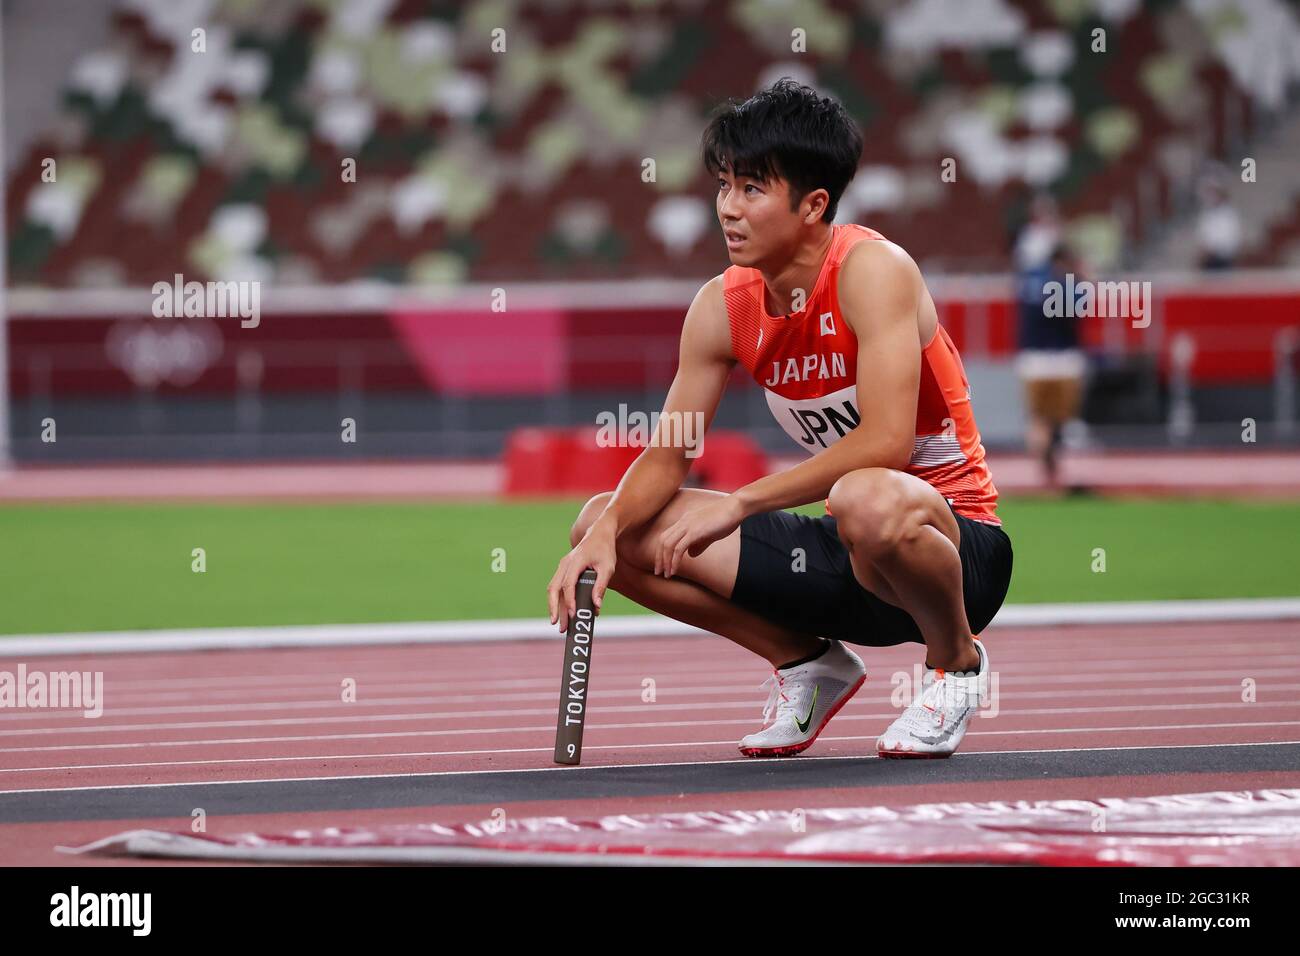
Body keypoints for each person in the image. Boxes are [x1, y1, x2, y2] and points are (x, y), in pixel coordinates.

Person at [547, 79, 1012, 759]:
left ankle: (956, 666)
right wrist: (606, 537)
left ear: (813, 204)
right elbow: (668, 454)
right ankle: (808, 664)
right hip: (842, 554)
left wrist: (738, 504)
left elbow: (885, 441)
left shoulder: (873, 270)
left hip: (955, 550)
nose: (728, 210)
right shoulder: (720, 307)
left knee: (866, 496)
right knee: (603, 519)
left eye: (753, 190)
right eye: (725, 186)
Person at [1015, 243, 1087, 489]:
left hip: (1033, 359)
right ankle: (1051, 466)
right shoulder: (1067, 284)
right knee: (1060, 419)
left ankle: (1044, 470)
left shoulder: (1029, 280)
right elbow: (1077, 310)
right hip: (1062, 360)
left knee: (1038, 419)